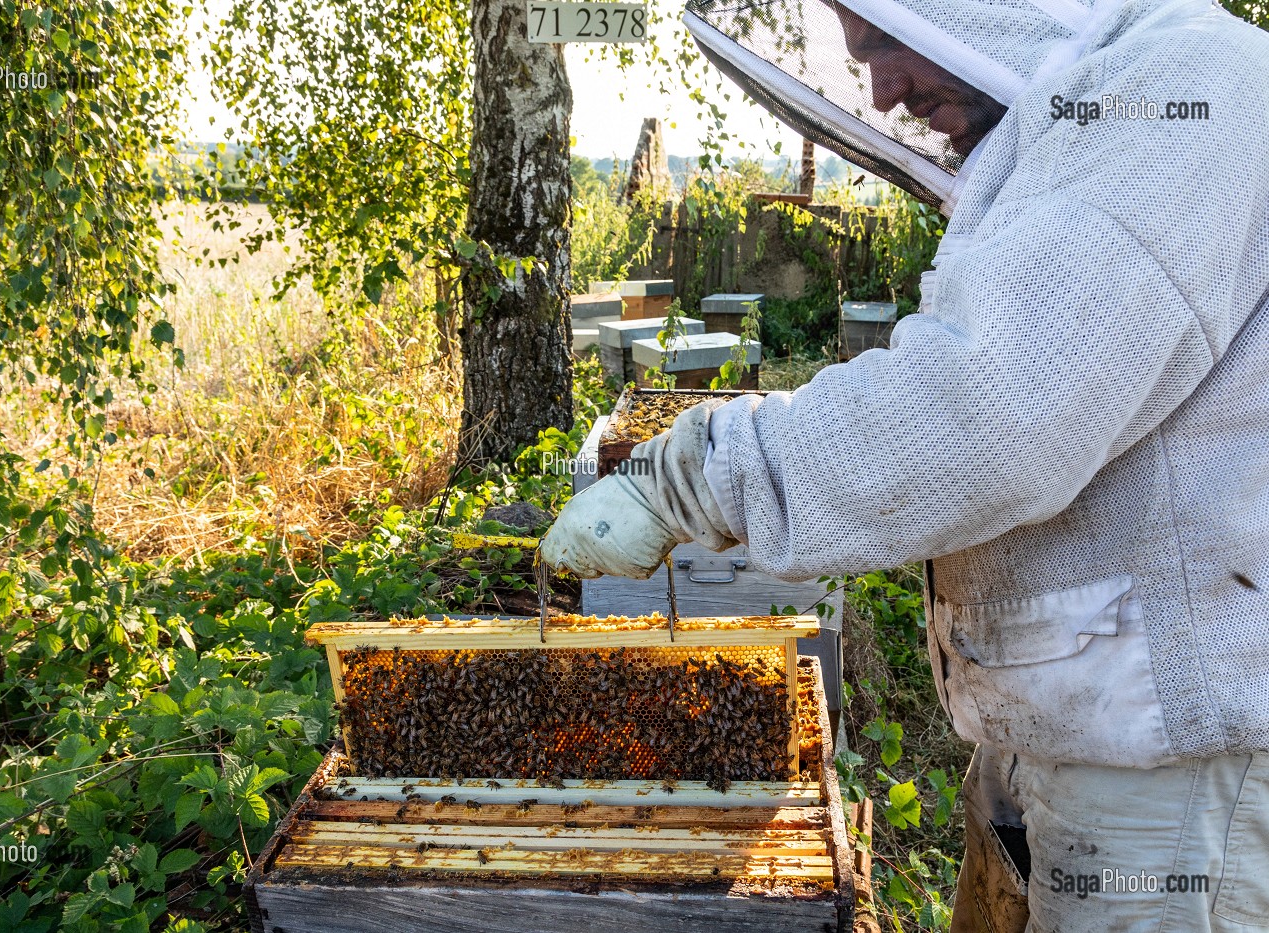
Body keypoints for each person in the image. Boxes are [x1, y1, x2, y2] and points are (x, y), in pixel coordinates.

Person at [541, 0, 1269, 929]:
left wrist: (696, 474)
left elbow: (993, 403)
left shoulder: (1181, 87)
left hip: (1175, 781)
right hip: (1090, 734)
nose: (882, 91)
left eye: (887, 43)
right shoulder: (1113, 101)